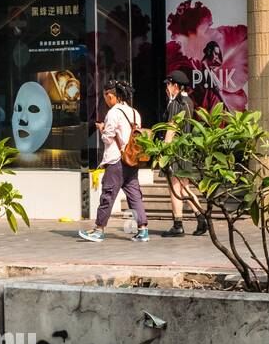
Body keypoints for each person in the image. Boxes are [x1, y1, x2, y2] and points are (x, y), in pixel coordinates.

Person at [79, 82, 149, 243]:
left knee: (108, 195)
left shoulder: (113, 113)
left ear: (111, 96)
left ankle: (98, 230)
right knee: (134, 195)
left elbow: (107, 137)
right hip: (131, 159)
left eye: (106, 97)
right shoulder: (134, 113)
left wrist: (102, 129)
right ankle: (142, 229)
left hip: (116, 160)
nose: (106, 101)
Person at [161, 70, 207, 237]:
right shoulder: (189, 102)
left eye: (168, 84)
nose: (167, 88)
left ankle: (177, 224)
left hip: (175, 149)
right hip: (185, 149)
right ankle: (201, 217)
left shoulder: (175, 103)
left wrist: (164, 151)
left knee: (174, 187)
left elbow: (172, 128)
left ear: (176, 86)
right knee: (185, 186)